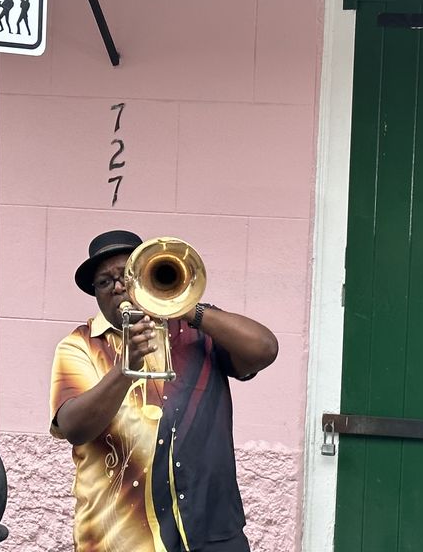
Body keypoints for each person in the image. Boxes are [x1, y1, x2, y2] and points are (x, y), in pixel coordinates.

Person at [50, 230, 279, 552]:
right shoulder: (80, 345)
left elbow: (264, 349)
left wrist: (184, 306)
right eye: (104, 282)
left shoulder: (198, 331)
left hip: (210, 531)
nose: (117, 287)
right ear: (97, 295)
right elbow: (75, 427)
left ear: (146, 275)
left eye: (126, 276)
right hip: (121, 537)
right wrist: (124, 369)